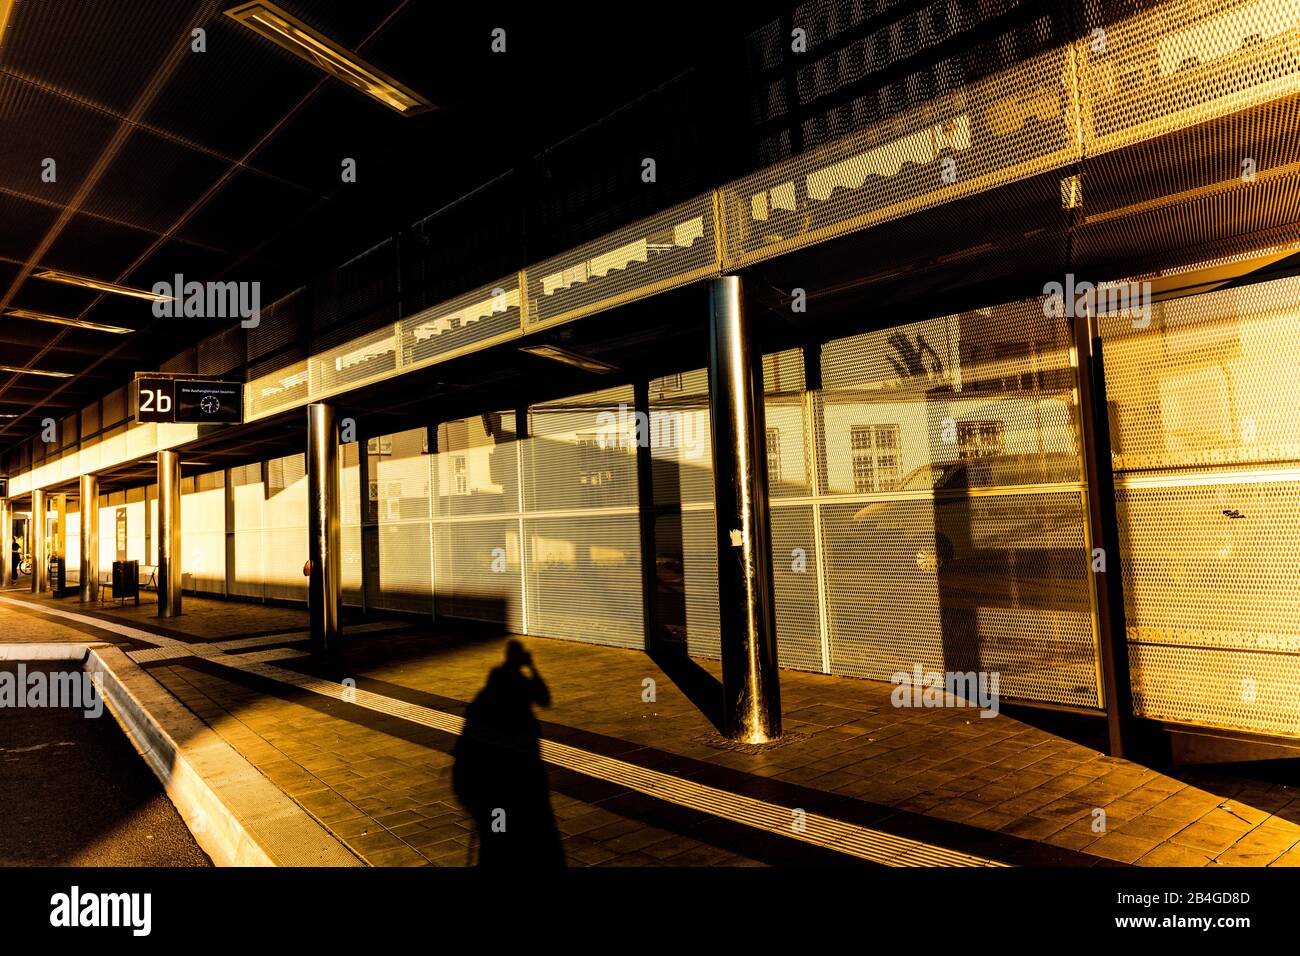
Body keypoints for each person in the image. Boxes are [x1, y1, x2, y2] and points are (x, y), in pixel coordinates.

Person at [452, 640, 564, 867]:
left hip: (495, 789)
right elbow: (545, 697)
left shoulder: (482, 702)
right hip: (522, 785)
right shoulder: (519, 694)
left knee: (497, 842)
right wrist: (532, 668)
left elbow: (463, 754)